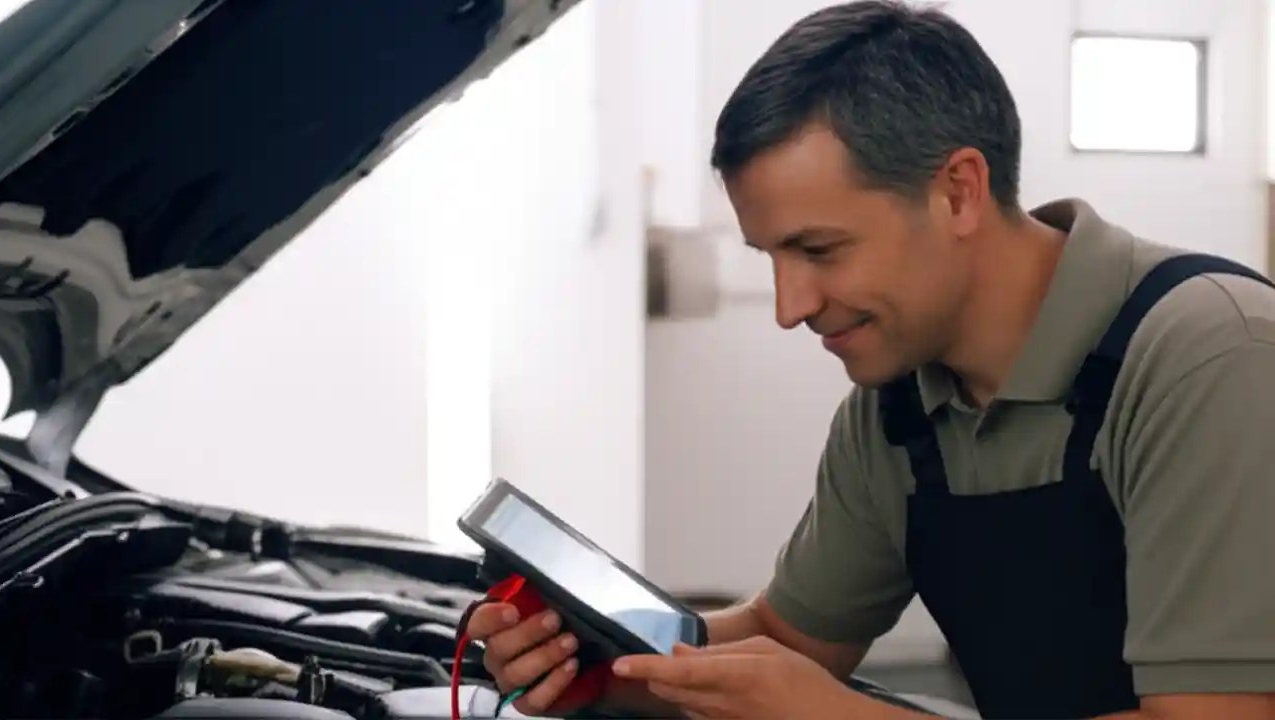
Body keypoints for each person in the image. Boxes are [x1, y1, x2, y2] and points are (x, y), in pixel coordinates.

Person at [466, 2, 1275, 718]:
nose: (789, 306)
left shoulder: (1209, 360)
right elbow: (787, 641)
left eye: (819, 249)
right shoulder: (897, 410)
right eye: (770, 257)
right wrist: (596, 670)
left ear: (958, 190)